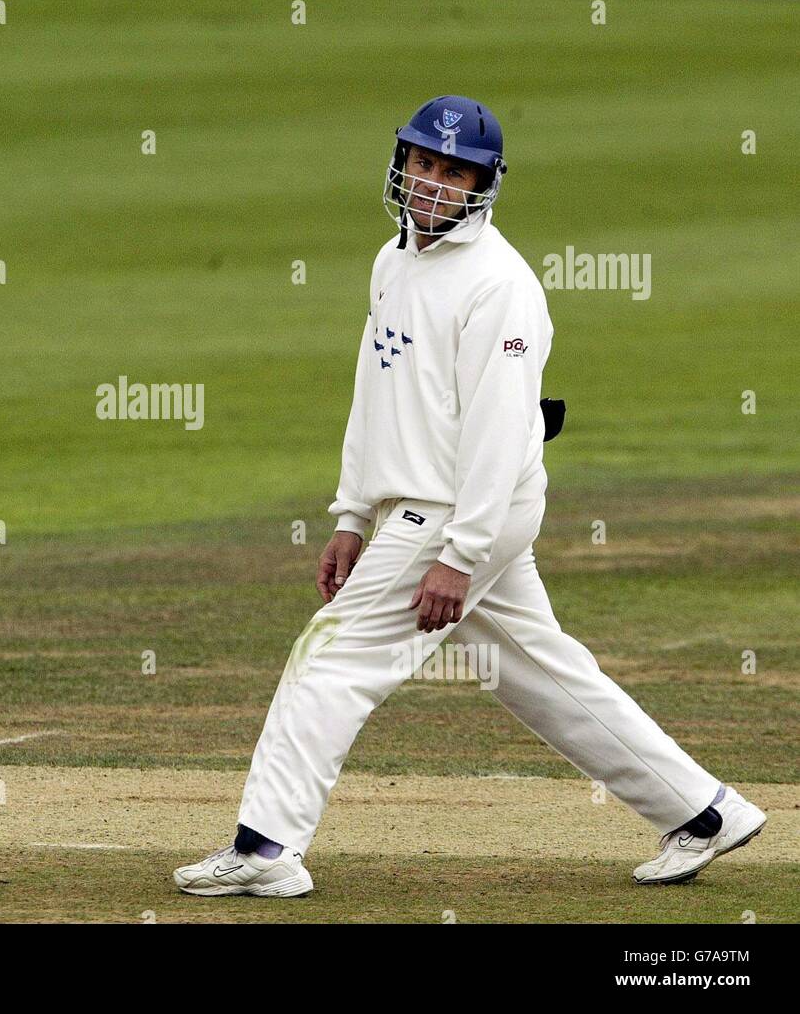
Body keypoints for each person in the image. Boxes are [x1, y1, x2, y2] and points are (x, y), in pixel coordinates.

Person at [173, 96, 764, 896]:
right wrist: (351, 514)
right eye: (422, 163)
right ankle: (703, 813)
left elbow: (499, 429)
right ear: (399, 165)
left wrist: (462, 551)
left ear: (483, 182)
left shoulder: (500, 286)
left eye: (454, 171)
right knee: (533, 669)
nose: (432, 183)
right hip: (423, 505)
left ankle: (267, 850)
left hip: (459, 509)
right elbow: (378, 395)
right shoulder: (393, 261)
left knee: (331, 661)